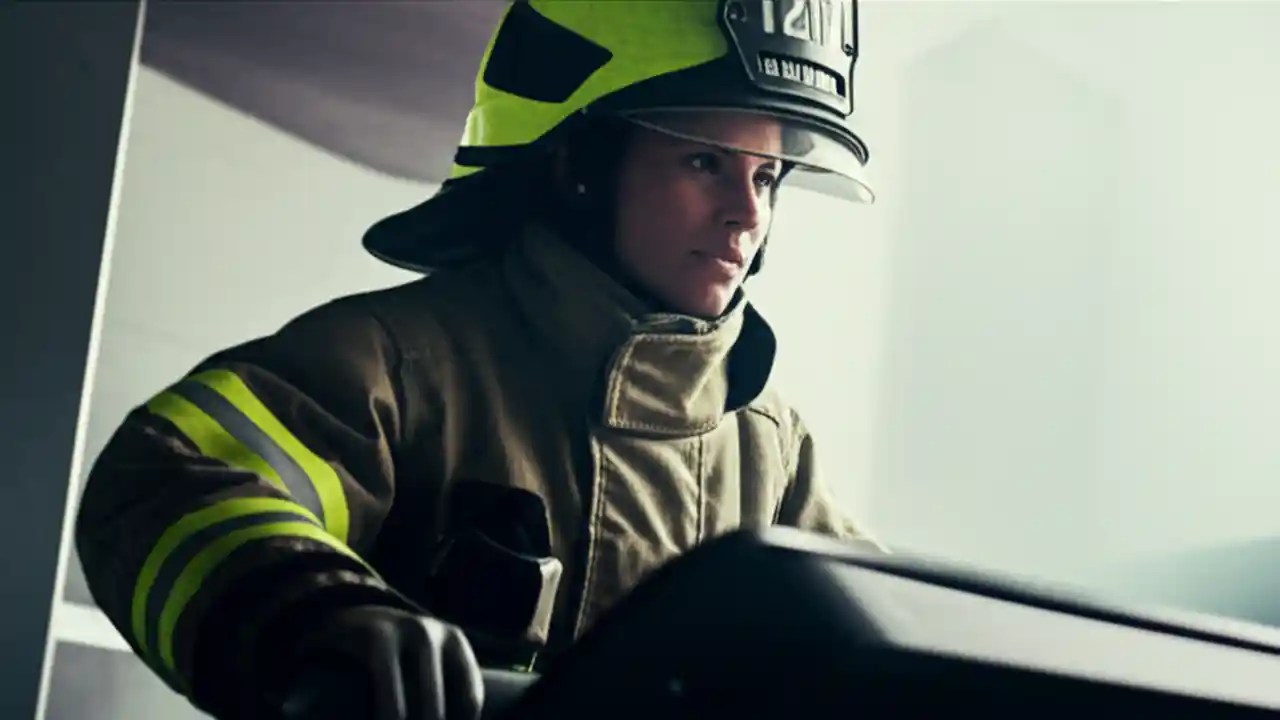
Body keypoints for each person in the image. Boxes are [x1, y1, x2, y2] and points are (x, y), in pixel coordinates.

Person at [74, 1, 881, 719]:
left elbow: (891, 632)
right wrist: (315, 613)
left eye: (767, 176)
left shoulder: (772, 452)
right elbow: (161, 482)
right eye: (704, 162)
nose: (747, 214)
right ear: (578, 163)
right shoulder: (403, 366)